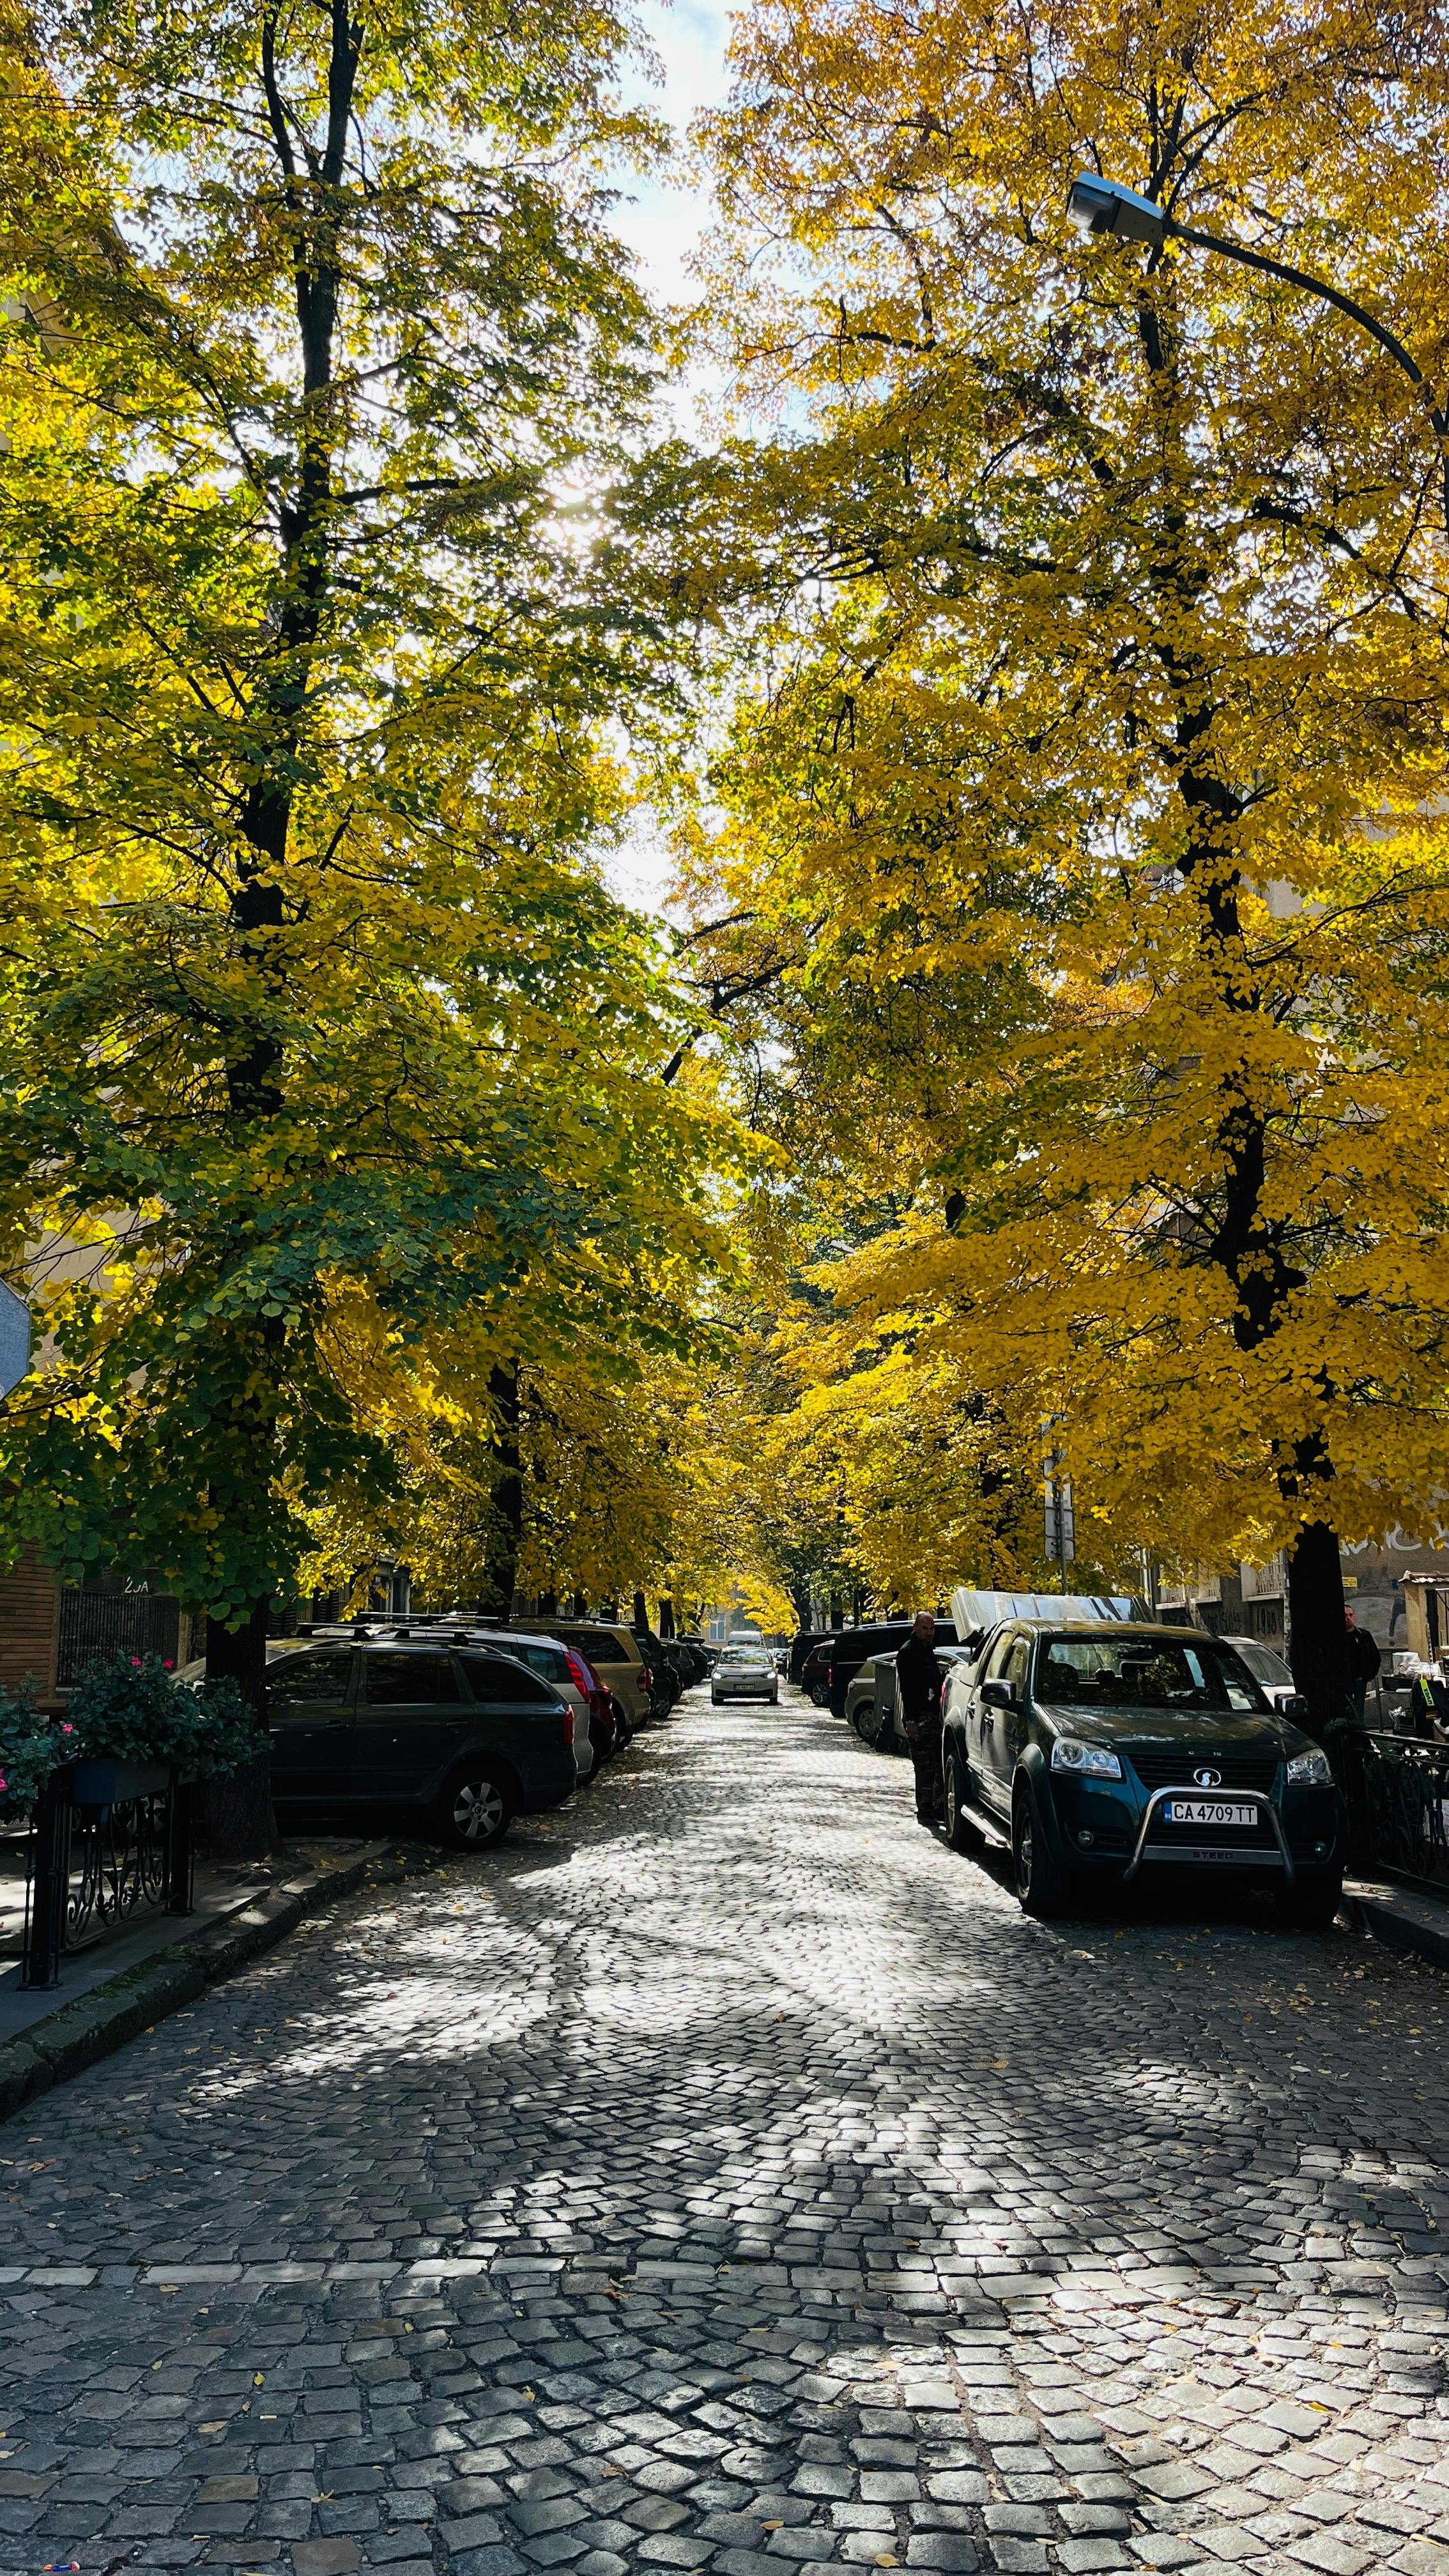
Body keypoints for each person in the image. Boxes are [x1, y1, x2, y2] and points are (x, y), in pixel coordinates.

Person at [897, 1611, 944, 1827]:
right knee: (924, 1767)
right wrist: (911, 1721)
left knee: (937, 1765)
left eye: (932, 1629)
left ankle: (937, 1807)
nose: (929, 1633)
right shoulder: (908, 1653)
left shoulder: (928, 1651)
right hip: (920, 1718)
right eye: (925, 1628)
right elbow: (907, 1690)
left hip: (934, 1716)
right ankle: (925, 1811)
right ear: (916, 1628)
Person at [1345, 1606, 1382, 1725]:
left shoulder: (1363, 1636)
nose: (1348, 1618)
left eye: (1350, 1615)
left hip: (1359, 1681)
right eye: (1345, 1615)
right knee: (1346, 1710)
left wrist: (1367, 1675)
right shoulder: (1337, 1638)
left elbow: (1375, 1657)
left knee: (1358, 1710)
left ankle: (1358, 1733)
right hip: (1343, 1681)